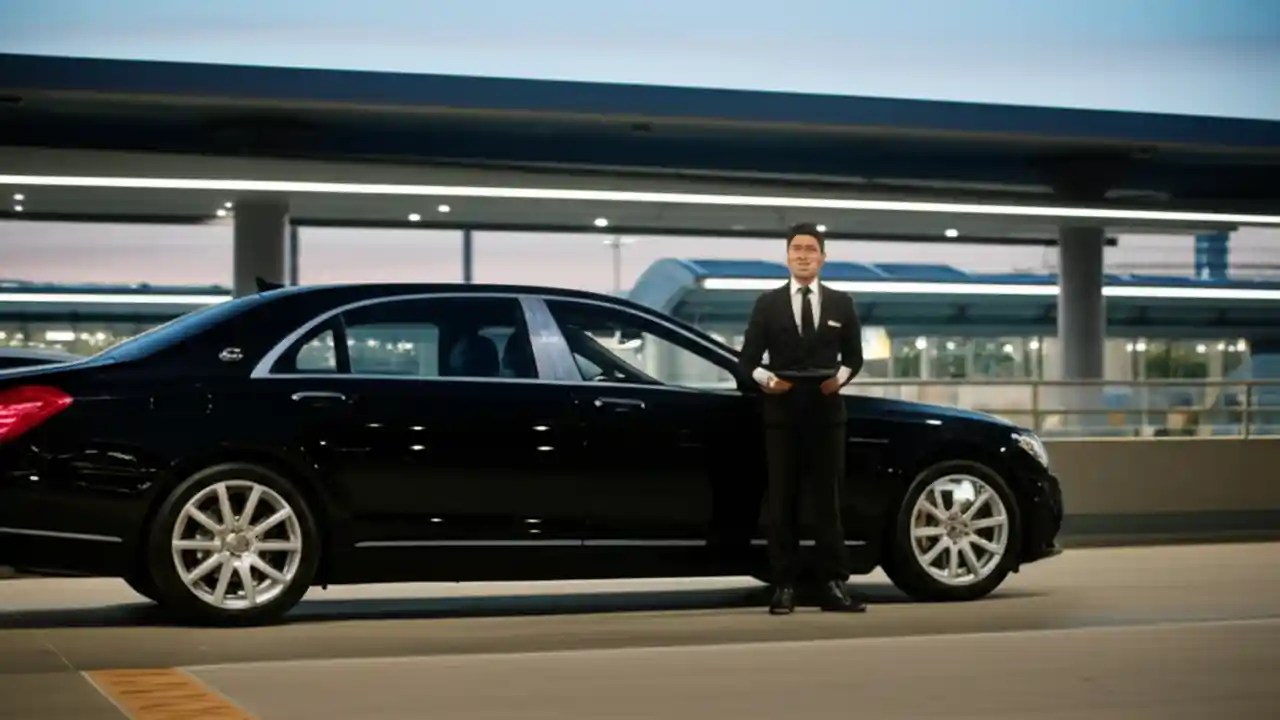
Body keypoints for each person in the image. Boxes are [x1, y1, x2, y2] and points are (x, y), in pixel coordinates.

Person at [738, 223, 867, 615]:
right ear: (787, 256)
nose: (803, 255)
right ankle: (785, 585)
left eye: (811, 249)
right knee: (782, 500)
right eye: (797, 249)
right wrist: (767, 380)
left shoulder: (842, 303)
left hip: (827, 413)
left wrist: (838, 381)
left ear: (822, 257)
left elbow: (854, 358)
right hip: (782, 411)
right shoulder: (767, 303)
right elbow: (745, 361)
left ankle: (832, 583)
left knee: (827, 500)